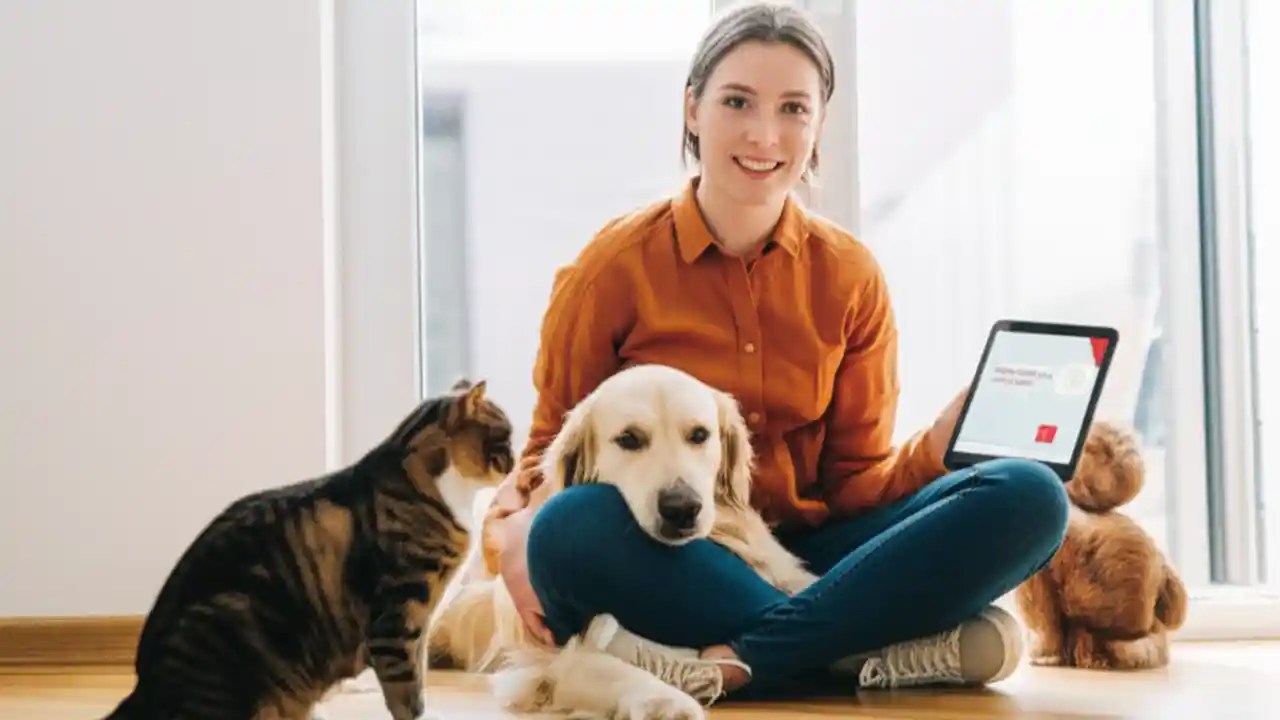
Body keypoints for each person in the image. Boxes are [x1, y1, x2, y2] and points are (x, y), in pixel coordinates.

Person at [484, 1, 1069, 701]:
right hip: (674, 556)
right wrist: (514, 538)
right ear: (693, 110)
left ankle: (738, 661)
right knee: (569, 529)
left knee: (1028, 495)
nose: (765, 134)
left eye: (794, 108)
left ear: (820, 124)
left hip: (808, 557)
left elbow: (855, 485)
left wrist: (940, 446)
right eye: (738, 101)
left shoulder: (851, 277)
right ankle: (860, 650)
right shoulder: (610, 271)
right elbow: (549, 459)